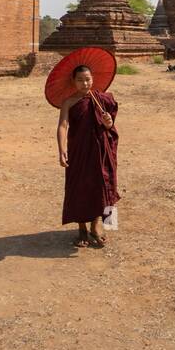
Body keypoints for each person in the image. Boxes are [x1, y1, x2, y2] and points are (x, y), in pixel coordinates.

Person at [56, 64, 120, 248]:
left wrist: (108, 123)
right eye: (80, 80)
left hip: (100, 150)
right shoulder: (68, 102)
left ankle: (96, 223)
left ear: (93, 79)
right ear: (73, 82)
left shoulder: (102, 99)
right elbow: (62, 126)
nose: (85, 83)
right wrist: (61, 150)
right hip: (79, 151)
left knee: (102, 183)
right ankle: (82, 227)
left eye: (88, 79)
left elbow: (110, 126)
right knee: (79, 186)